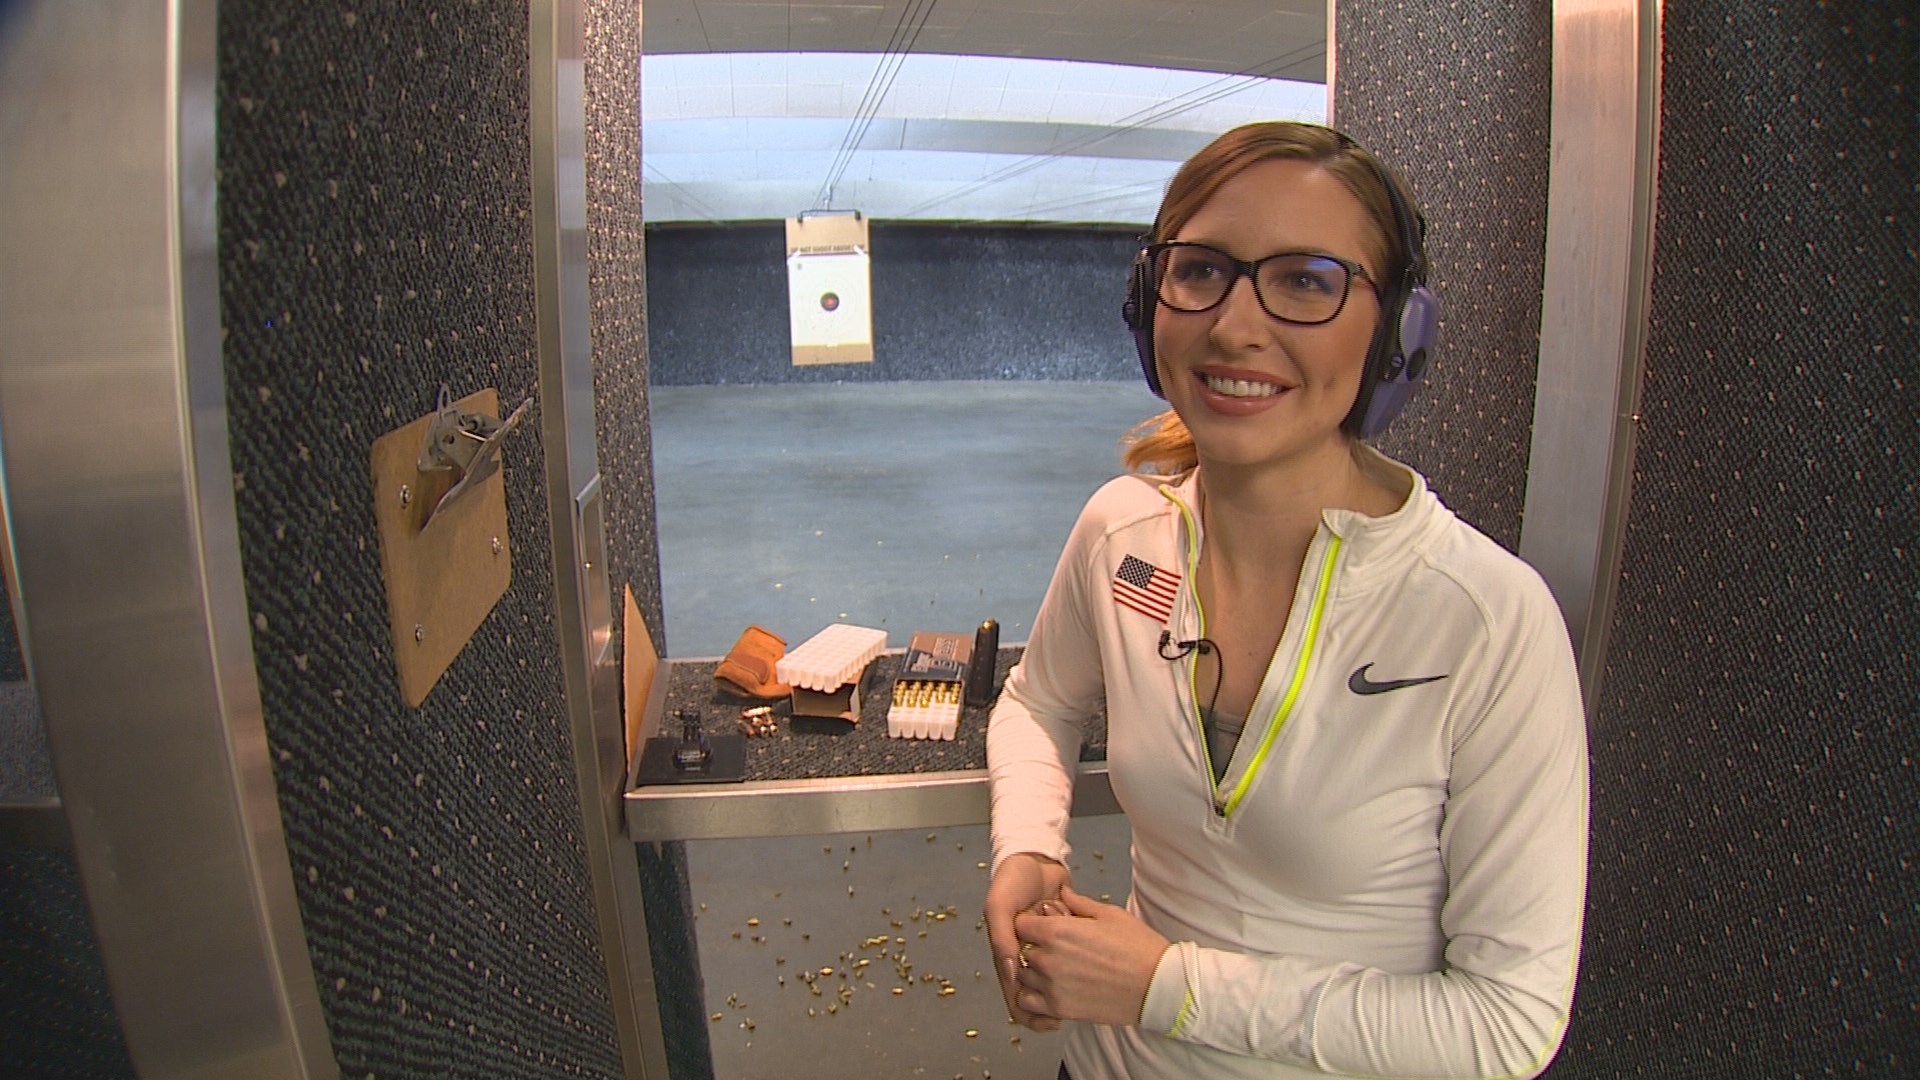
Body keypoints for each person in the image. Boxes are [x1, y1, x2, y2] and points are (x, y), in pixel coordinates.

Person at [983, 121, 1588, 1079]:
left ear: (1394, 334)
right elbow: (1038, 701)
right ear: (1152, 304)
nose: (1234, 324)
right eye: (1201, 271)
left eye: (1307, 279)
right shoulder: (1121, 532)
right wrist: (1026, 843)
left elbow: (1504, 1027)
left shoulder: (1487, 623)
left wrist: (1166, 990)